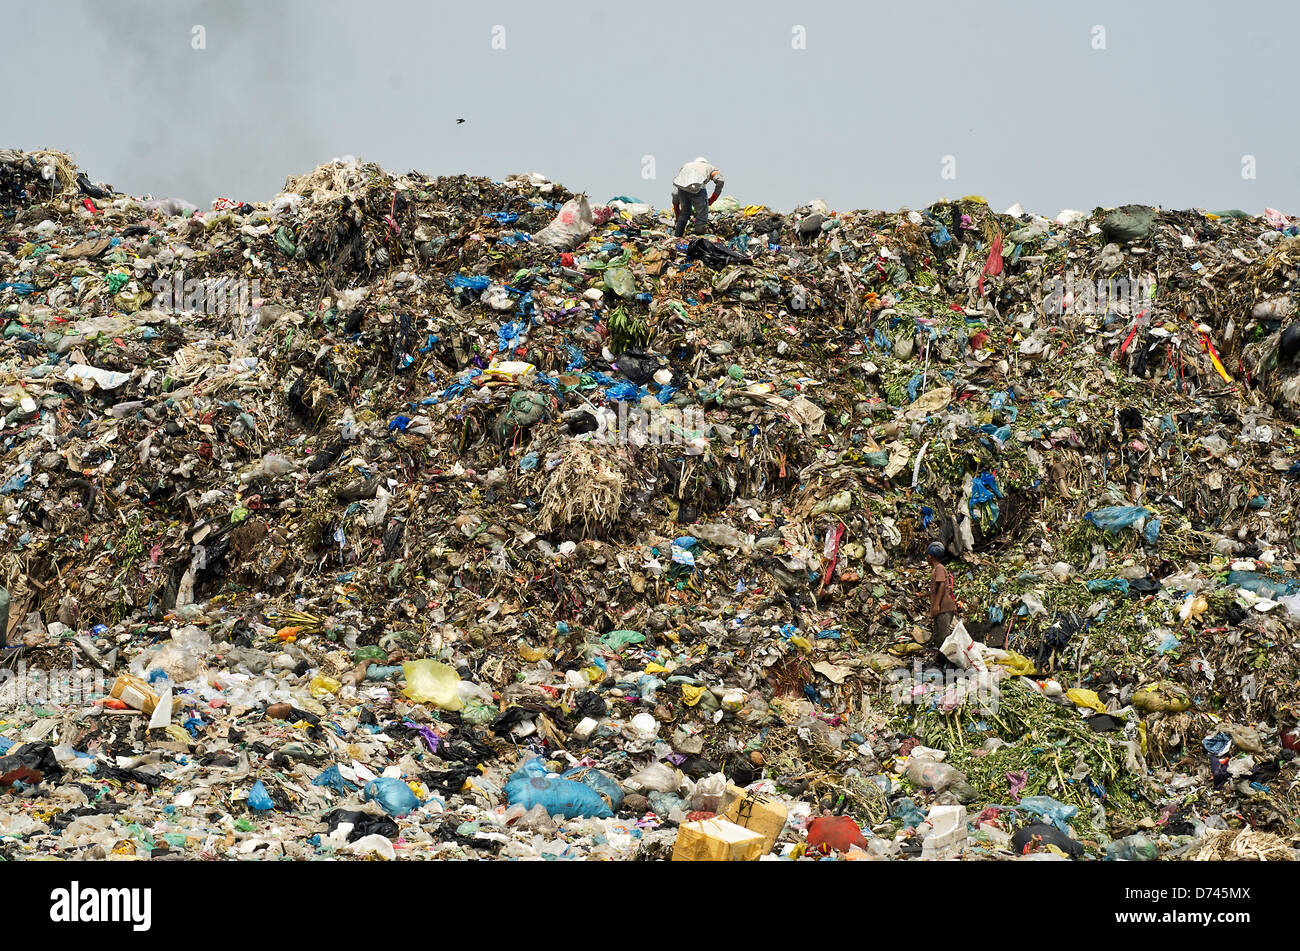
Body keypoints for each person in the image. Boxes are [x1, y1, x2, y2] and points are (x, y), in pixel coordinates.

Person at [671, 157, 725, 237]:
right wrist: (713, 198)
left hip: (682, 190)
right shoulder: (710, 167)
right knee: (702, 214)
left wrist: (677, 210)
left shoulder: (686, 166)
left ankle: (677, 236)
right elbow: (720, 180)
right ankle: (697, 235)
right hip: (698, 190)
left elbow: (676, 189)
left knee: (684, 213)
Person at [925, 542, 960, 643]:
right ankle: (941, 656)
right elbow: (936, 589)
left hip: (944, 607)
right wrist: (922, 595)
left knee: (943, 637)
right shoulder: (937, 569)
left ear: (930, 556)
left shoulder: (939, 568)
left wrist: (936, 605)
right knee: (938, 635)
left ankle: (947, 658)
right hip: (941, 608)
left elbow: (941, 585)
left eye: (927, 556)